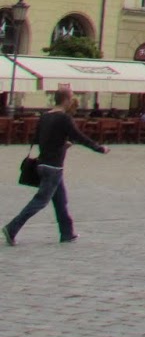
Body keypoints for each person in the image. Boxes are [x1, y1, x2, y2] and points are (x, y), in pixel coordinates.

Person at [6, 88, 109, 246]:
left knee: (61, 200)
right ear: (66, 100)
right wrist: (99, 148)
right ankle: (12, 228)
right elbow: (79, 136)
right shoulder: (64, 118)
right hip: (53, 167)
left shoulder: (45, 116)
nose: (72, 101)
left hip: (43, 164)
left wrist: (61, 144)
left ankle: (67, 233)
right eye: (71, 98)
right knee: (40, 200)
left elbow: (39, 139)